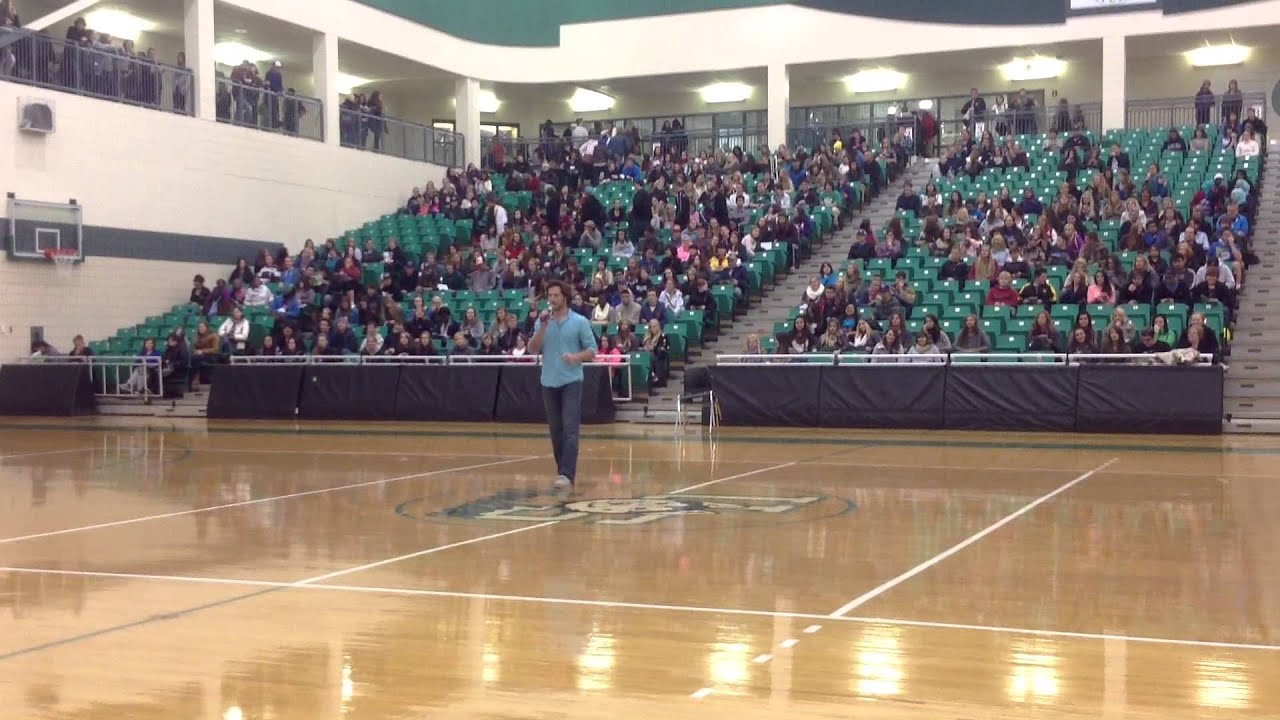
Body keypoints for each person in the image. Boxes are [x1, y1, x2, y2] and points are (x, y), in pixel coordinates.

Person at [529, 280, 598, 489]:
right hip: (548, 381)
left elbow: (592, 351)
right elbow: (533, 349)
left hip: (571, 381)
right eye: (549, 295)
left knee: (569, 428)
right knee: (555, 429)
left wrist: (576, 357)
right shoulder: (542, 322)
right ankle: (562, 470)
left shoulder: (579, 322)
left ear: (564, 297)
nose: (552, 299)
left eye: (556, 295)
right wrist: (542, 327)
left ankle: (567, 473)